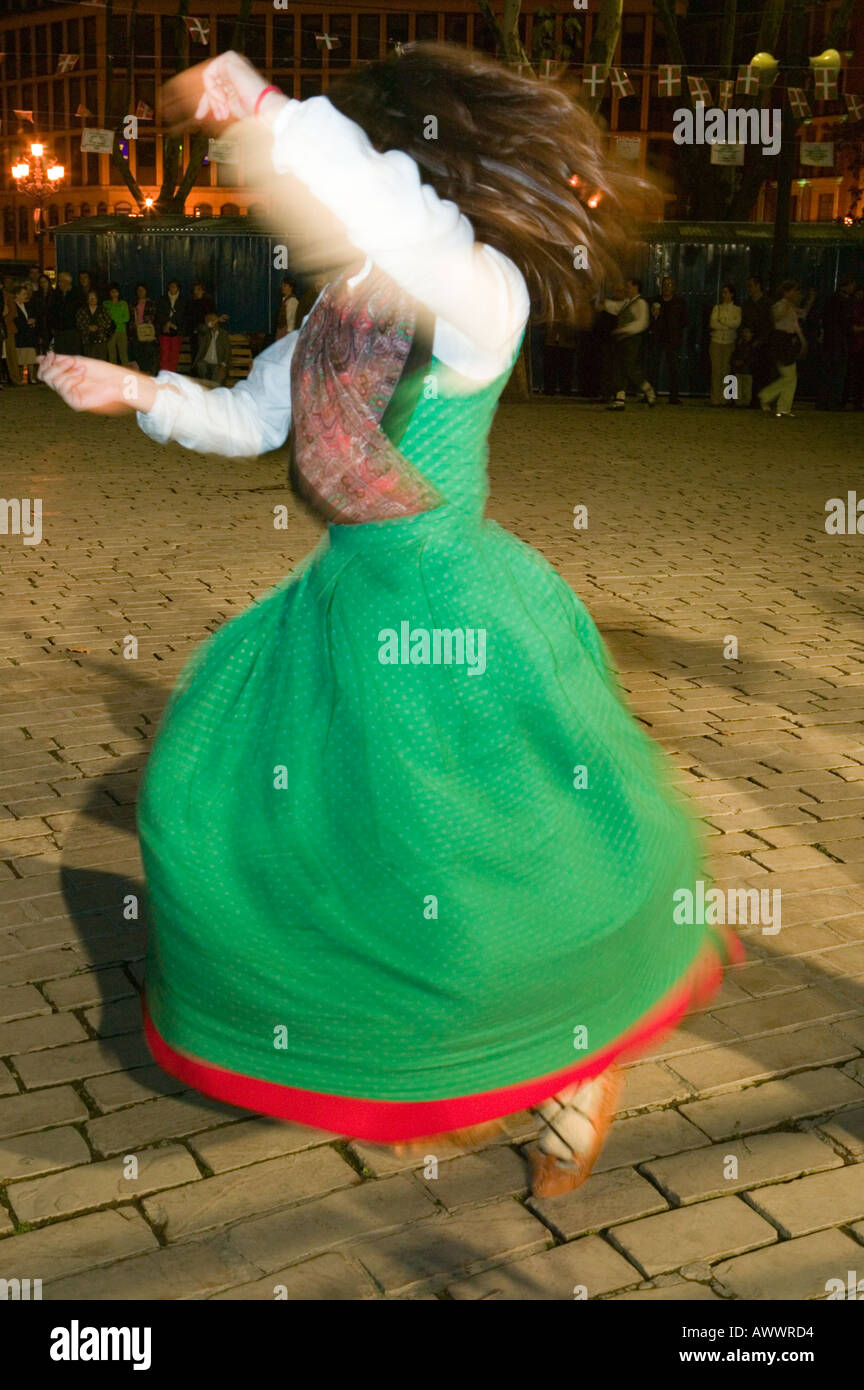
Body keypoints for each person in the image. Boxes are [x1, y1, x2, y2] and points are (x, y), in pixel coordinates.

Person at [40, 45, 740, 1199]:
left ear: (405, 165)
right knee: (259, 824)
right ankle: (434, 1062)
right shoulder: (342, 305)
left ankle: (552, 1066)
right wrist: (141, 392)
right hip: (341, 603)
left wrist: (264, 109)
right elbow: (254, 415)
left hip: (449, 610)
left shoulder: (474, 289)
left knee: (464, 863)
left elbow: (393, 216)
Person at [759, 280, 810, 418]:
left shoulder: (791, 307)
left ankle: (784, 407)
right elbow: (777, 318)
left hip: (789, 341)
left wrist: (802, 340)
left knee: (791, 377)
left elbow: (801, 317)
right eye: (794, 291)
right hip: (780, 341)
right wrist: (788, 304)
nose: (796, 294)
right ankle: (767, 395)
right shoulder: (779, 305)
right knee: (789, 375)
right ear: (786, 292)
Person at [604, 277, 656, 410]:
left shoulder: (641, 303)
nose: (626, 288)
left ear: (635, 287)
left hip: (633, 339)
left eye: (628, 286)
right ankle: (620, 399)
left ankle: (648, 390)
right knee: (619, 368)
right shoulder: (628, 302)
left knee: (629, 367)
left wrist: (623, 329)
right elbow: (614, 307)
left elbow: (642, 323)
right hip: (623, 339)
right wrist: (600, 302)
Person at [817, 275, 856, 412]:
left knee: (827, 373)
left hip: (830, 341)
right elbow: (845, 324)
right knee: (838, 374)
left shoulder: (831, 300)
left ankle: (823, 401)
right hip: (838, 341)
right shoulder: (844, 301)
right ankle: (833, 402)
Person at [649, 275, 687, 403]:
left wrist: (676, 331)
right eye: (665, 284)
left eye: (670, 284)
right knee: (653, 367)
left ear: (674, 287)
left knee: (673, 368)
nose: (667, 287)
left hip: (673, 339)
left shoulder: (679, 302)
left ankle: (674, 396)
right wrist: (654, 317)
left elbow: (685, 320)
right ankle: (650, 395)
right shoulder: (655, 301)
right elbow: (649, 320)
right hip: (657, 338)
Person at [741, 275, 774, 408]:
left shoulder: (767, 303)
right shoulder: (748, 303)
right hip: (752, 342)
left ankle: (764, 400)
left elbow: (770, 325)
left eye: (751, 285)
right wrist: (745, 333)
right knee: (753, 371)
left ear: (758, 286)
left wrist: (760, 339)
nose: (749, 289)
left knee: (764, 372)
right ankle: (754, 400)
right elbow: (745, 321)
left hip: (764, 343)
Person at [709, 283, 741, 406]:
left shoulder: (737, 309)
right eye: (723, 293)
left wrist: (722, 321)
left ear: (732, 294)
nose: (724, 295)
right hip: (716, 341)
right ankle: (715, 399)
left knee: (727, 371)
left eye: (726, 292)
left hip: (729, 342)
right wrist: (728, 324)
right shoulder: (717, 308)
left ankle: (726, 398)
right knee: (716, 371)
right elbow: (713, 324)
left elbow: (736, 323)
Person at [7, 284, 39, 384]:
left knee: (30, 356)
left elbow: (33, 316)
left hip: (29, 335)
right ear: (17, 295)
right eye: (24, 294)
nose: (26, 295)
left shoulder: (28, 305)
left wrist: (33, 321)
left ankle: (32, 377)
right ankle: (19, 378)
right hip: (19, 335)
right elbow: (15, 320)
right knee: (20, 357)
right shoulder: (13, 306)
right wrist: (26, 323)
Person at [192, 309, 232, 382]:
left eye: (213, 319)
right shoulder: (203, 333)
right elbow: (203, 328)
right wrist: (217, 319)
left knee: (217, 379)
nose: (212, 322)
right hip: (205, 363)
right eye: (209, 320)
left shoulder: (223, 334)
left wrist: (223, 366)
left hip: (218, 364)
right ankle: (205, 389)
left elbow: (227, 352)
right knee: (201, 365)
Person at [48, 271, 82, 356]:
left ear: (67, 282)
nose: (59, 283)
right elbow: (52, 311)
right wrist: (53, 325)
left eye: (61, 281)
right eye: (58, 281)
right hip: (59, 330)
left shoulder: (77, 293)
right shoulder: (56, 294)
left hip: (72, 330)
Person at [156, 279, 186, 372]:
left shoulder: (183, 300)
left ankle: (172, 376)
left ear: (178, 288)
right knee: (164, 354)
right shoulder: (162, 299)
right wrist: (167, 323)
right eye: (171, 286)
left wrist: (173, 324)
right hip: (165, 330)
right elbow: (159, 314)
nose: (172, 288)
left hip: (177, 330)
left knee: (174, 355)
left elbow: (183, 314)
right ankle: (164, 375)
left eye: (174, 286)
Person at [542, 316, 577, 396]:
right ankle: (563, 389)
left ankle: (554, 389)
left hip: (559, 339)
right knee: (563, 367)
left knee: (556, 367)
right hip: (562, 339)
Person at [130, 282, 159, 375]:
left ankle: (148, 372)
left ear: (146, 291)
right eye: (138, 290)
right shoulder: (133, 303)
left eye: (142, 290)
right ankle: (141, 372)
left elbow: (154, 316)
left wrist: (147, 322)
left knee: (148, 350)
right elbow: (130, 318)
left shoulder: (151, 302)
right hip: (136, 330)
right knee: (137, 351)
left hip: (146, 330)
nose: (140, 292)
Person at [76, 289, 113, 360]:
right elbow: (79, 323)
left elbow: (108, 323)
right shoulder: (81, 311)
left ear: (97, 299)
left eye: (94, 297)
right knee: (89, 363)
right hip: (87, 341)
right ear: (87, 300)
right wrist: (88, 327)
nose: (92, 299)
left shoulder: (104, 310)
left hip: (101, 340)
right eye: (90, 298)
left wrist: (98, 327)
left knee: (101, 363)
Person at [103, 282, 131, 365]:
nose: (114, 294)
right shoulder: (106, 304)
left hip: (121, 331)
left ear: (119, 293)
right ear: (109, 293)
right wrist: (116, 320)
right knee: (111, 355)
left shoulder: (123, 303)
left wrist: (114, 319)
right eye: (112, 292)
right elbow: (104, 317)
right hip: (110, 332)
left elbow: (126, 318)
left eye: (116, 292)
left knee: (123, 355)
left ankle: (126, 373)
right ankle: (113, 375)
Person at [846, 285, 864, 410]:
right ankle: (857, 400)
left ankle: (856, 400)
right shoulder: (855, 309)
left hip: (857, 345)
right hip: (857, 346)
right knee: (857, 374)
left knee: (856, 375)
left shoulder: (854, 307)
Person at [729, 324, 755, 407]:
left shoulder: (753, 345)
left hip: (747, 370)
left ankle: (746, 402)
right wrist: (735, 362)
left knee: (747, 388)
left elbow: (752, 357)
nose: (745, 334)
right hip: (739, 370)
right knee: (738, 387)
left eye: (747, 332)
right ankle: (738, 402)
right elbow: (735, 354)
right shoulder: (739, 344)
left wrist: (744, 362)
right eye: (744, 332)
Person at [31, 272, 54, 358]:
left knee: (51, 347)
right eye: (41, 282)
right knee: (41, 348)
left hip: (50, 325)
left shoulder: (54, 294)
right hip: (40, 325)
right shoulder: (37, 295)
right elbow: (34, 310)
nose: (43, 284)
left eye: (45, 281)